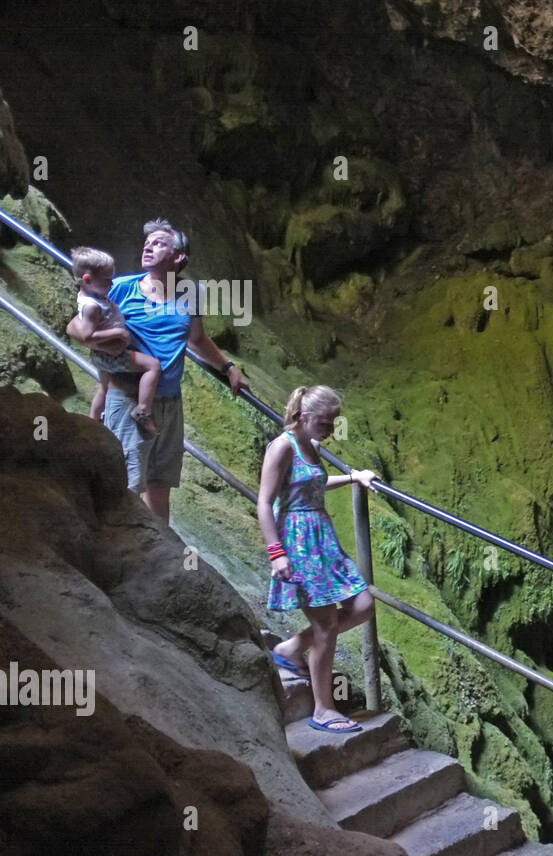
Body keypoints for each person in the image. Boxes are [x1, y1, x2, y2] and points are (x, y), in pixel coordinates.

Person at [104, 218, 250, 521]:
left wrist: (228, 367)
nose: (148, 246)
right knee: (125, 485)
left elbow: (197, 339)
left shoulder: (191, 294)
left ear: (178, 257)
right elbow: (87, 330)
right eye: (147, 242)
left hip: (170, 404)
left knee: (159, 486)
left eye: (159, 243)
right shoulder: (119, 289)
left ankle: (161, 560)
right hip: (130, 402)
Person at [258, 385, 378, 733]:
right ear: (305, 416)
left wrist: (354, 477)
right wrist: (276, 552)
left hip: (321, 537)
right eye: (326, 422)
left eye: (334, 422)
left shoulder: (311, 444)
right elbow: (265, 502)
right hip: (297, 541)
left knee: (363, 605)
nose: (331, 429)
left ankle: (291, 647)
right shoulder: (282, 447)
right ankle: (324, 709)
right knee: (326, 625)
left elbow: (314, 484)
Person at [65, 246, 162, 436]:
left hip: (102, 355)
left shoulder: (93, 295)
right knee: (153, 366)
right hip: (110, 355)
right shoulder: (92, 306)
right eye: (107, 280)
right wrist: (118, 333)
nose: (111, 284)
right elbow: (87, 335)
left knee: (104, 388)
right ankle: (143, 410)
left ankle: (92, 422)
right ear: (87, 279)